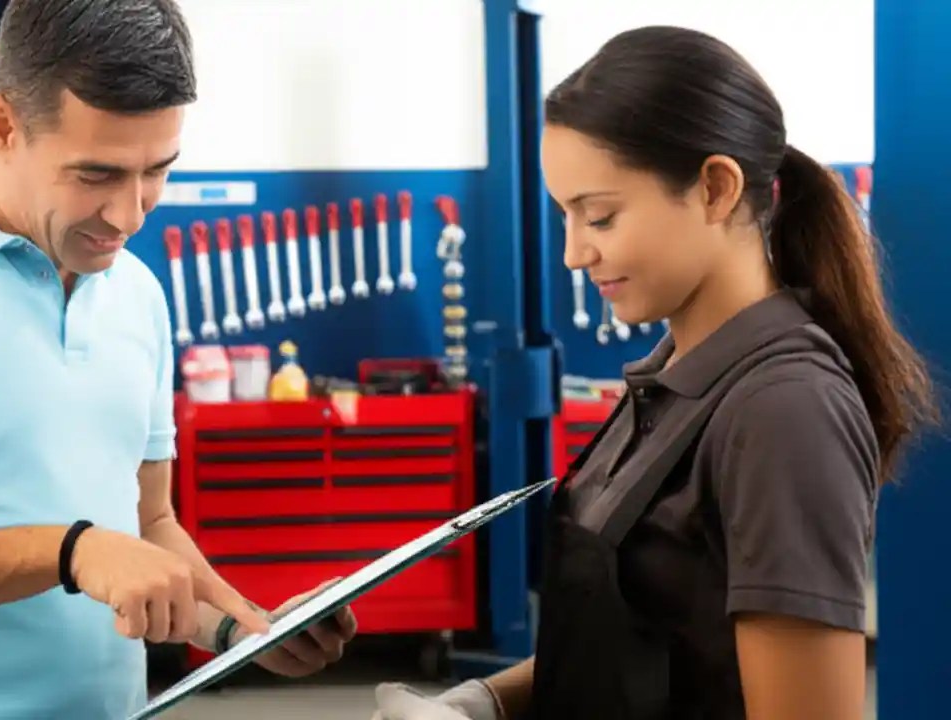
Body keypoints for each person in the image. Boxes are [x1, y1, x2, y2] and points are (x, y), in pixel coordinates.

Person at [0, 1, 355, 718]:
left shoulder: (134, 290)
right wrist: (70, 552)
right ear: (3, 125)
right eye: (95, 175)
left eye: (156, 172)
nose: (130, 216)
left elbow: (146, 525)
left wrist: (242, 628)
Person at [372, 25, 937, 720]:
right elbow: (649, 637)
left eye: (600, 217)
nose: (575, 254)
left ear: (716, 188)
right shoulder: (671, 380)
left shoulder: (785, 411)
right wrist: (483, 701)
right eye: (566, 219)